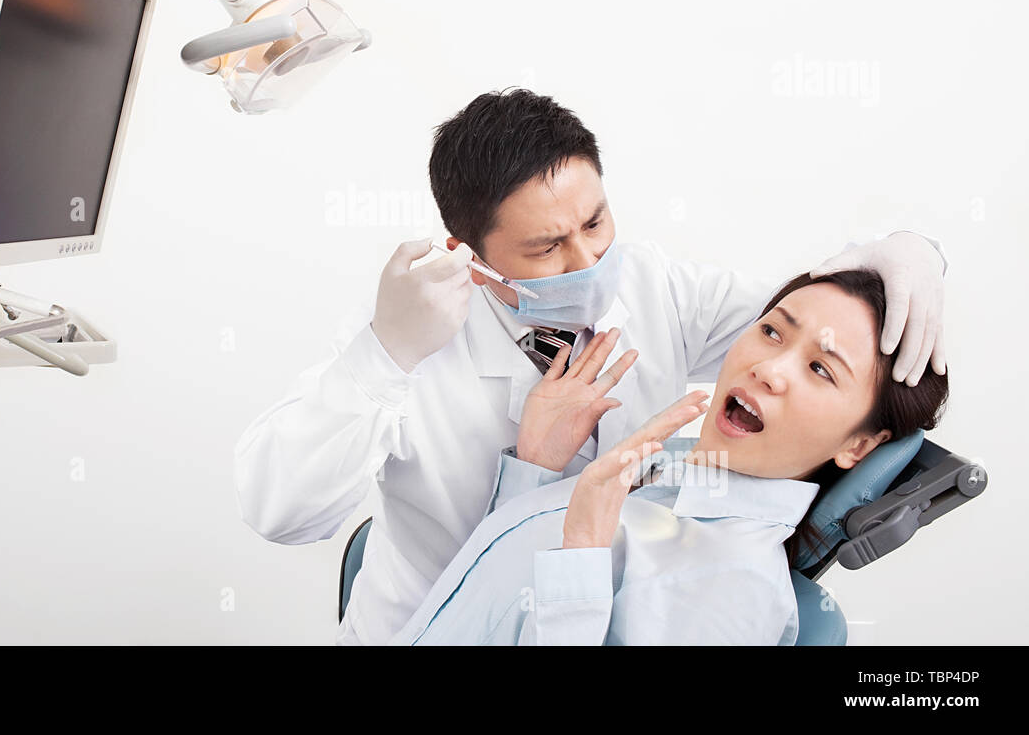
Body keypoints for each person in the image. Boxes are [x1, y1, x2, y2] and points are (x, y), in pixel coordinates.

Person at [235, 89, 948, 645]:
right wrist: (384, 356)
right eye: (547, 247)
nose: (589, 263)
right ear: (471, 253)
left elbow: (814, 322)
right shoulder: (402, 338)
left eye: (597, 222)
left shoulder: (656, 289)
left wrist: (903, 246)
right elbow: (281, 511)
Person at [392, 268, 950, 645]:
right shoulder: (673, 469)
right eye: (774, 332)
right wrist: (535, 470)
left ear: (858, 444)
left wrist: (581, 556)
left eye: (821, 370)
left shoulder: (738, 585)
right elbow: (502, 602)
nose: (769, 369)